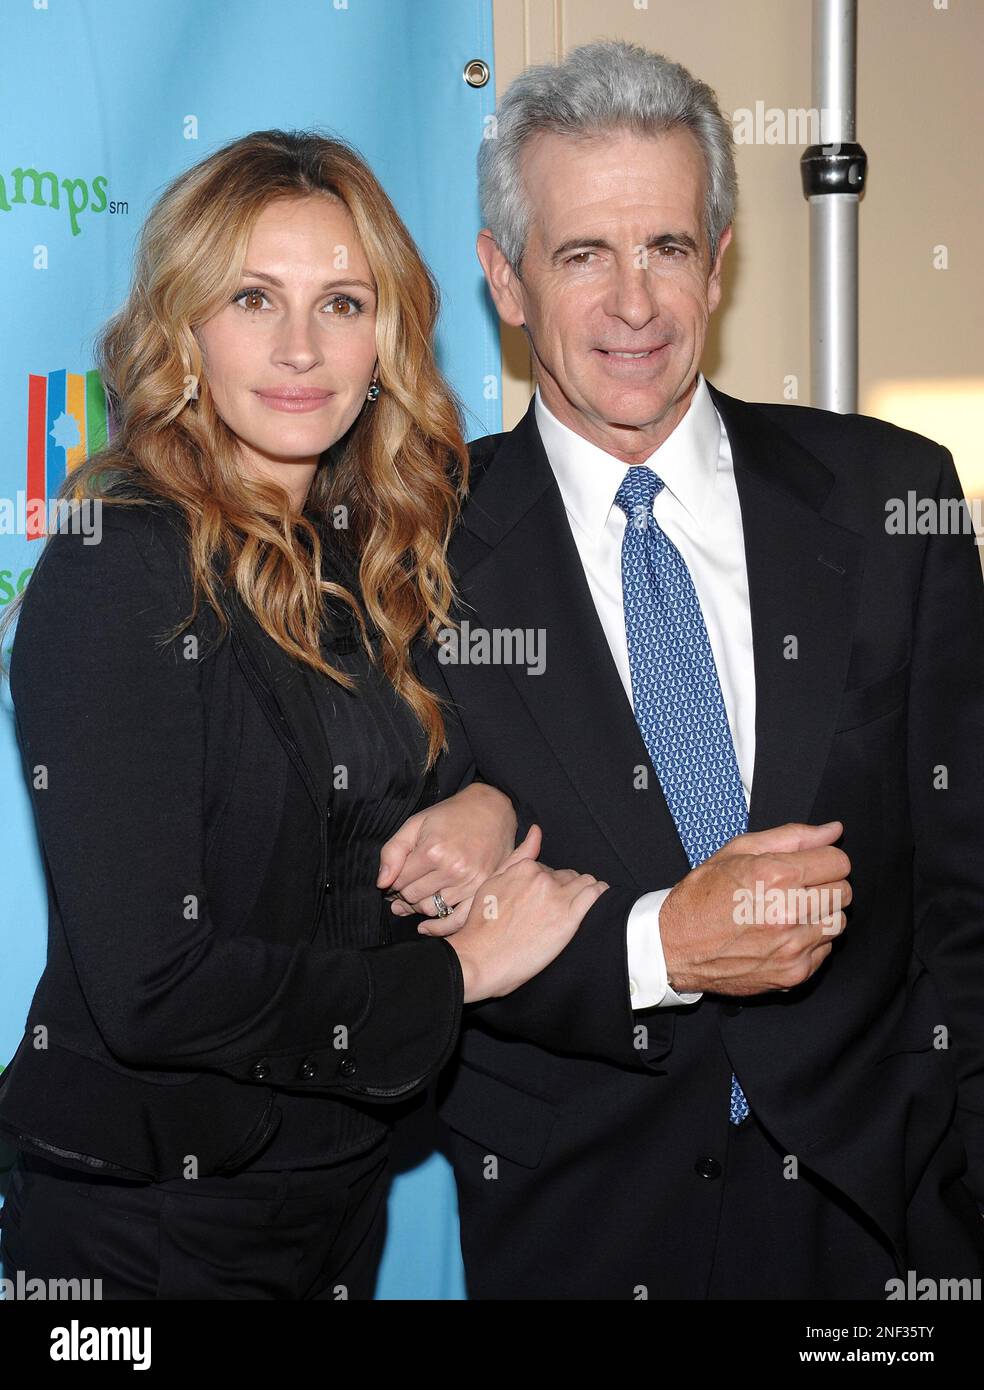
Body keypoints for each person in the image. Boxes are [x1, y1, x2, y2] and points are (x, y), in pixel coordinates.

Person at [398, 40, 984, 1299]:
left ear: (719, 260)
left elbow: (964, 886)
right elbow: (393, 936)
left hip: (885, 1225)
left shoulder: (895, 501)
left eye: (667, 247)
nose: (635, 304)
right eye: (582, 255)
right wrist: (658, 944)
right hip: (579, 1233)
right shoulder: (407, 548)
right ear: (504, 278)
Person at [0, 128, 607, 1300]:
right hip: (149, 1227)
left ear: (385, 339)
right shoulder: (121, 564)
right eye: (252, 298)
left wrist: (480, 804)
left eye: (341, 301)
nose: (299, 348)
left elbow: (404, 790)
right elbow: (151, 985)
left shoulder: (371, 551)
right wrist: (459, 973)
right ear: (185, 330)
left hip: (332, 1189)